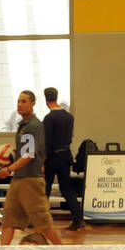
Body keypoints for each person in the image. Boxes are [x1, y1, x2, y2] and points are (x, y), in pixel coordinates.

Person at [0, 91, 60, 250]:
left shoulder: (33, 125)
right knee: (9, 218)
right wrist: (11, 156)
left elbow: (28, 155)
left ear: (33, 104)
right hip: (18, 179)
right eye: (18, 101)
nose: (19, 104)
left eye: (24, 101)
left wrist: (8, 169)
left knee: (42, 221)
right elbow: (24, 152)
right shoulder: (22, 125)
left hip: (30, 180)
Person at [42, 87, 84, 231]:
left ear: (46, 99)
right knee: (66, 188)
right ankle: (78, 217)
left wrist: (42, 161)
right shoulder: (69, 116)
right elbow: (70, 136)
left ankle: (41, 219)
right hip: (66, 154)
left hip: (53, 156)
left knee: (45, 189)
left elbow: (46, 142)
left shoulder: (48, 118)